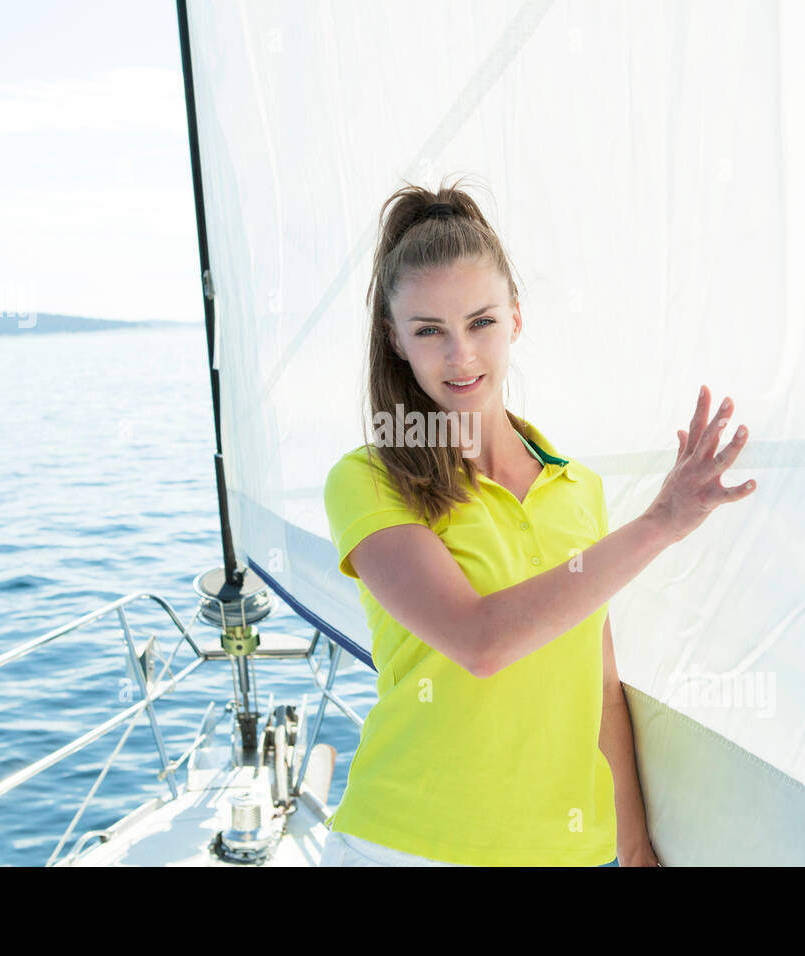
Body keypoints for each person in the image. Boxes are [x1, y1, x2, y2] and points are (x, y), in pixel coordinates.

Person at [320, 175, 756, 867]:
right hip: (406, 847)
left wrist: (634, 842)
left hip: (570, 853)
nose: (460, 355)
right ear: (395, 340)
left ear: (516, 319)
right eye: (429, 330)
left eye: (481, 322)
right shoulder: (369, 480)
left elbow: (599, 683)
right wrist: (662, 523)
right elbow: (480, 641)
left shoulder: (579, 487)